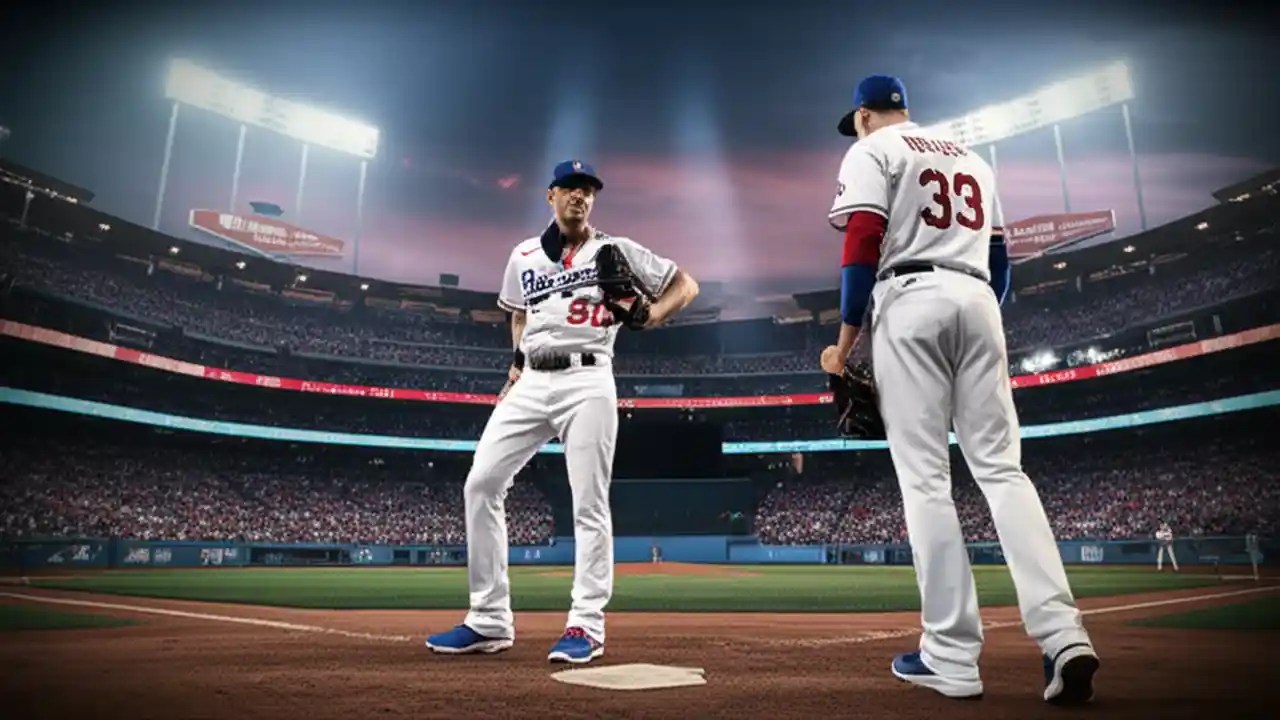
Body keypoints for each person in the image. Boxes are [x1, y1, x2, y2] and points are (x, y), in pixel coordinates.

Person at [819, 75, 1098, 704]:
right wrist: (972, 305)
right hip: (979, 302)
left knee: (925, 481)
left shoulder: (871, 150)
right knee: (1004, 472)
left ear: (864, 115)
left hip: (909, 297)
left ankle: (950, 656)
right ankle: (1064, 636)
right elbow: (1001, 264)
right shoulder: (971, 157)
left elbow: (862, 237)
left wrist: (845, 341)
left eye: (856, 119)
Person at [426, 160, 699, 664]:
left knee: (588, 503)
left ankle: (585, 626)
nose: (581, 197)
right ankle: (488, 620)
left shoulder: (614, 250)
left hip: (588, 376)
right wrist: (515, 363)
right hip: (531, 379)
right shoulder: (523, 255)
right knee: (481, 483)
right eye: (572, 189)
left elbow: (686, 283)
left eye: (589, 190)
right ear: (550, 196)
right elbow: (518, 312)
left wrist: (652, 315)